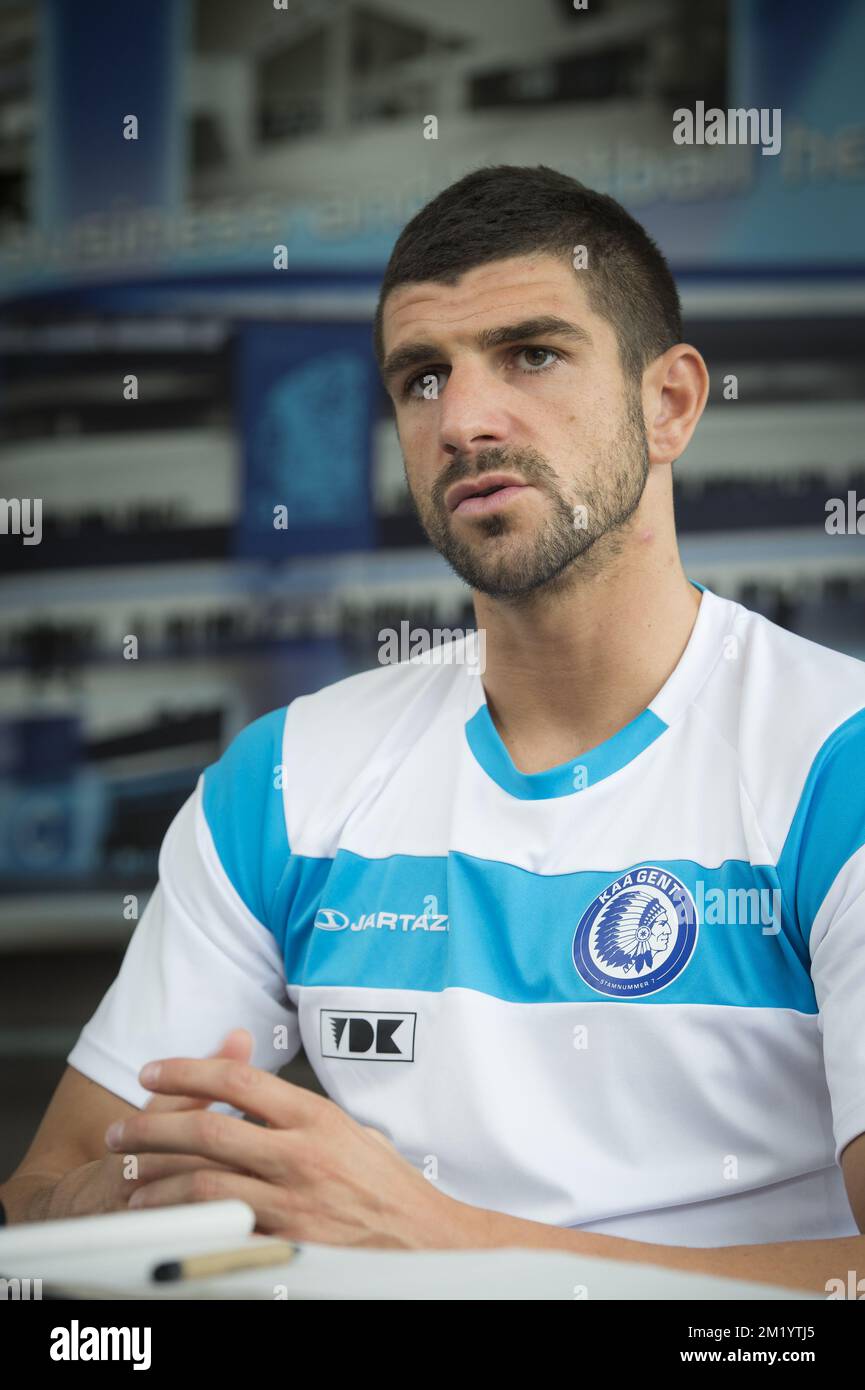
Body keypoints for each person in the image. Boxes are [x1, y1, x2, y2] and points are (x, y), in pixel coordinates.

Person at [3, 165, 864, 1294]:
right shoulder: (285, 782)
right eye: (422, 377)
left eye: (532, 355)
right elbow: (37, 1203)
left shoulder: (831, 764)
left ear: (670, 404)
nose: (463, 419)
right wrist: (170, 1191)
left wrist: (450, 1245)